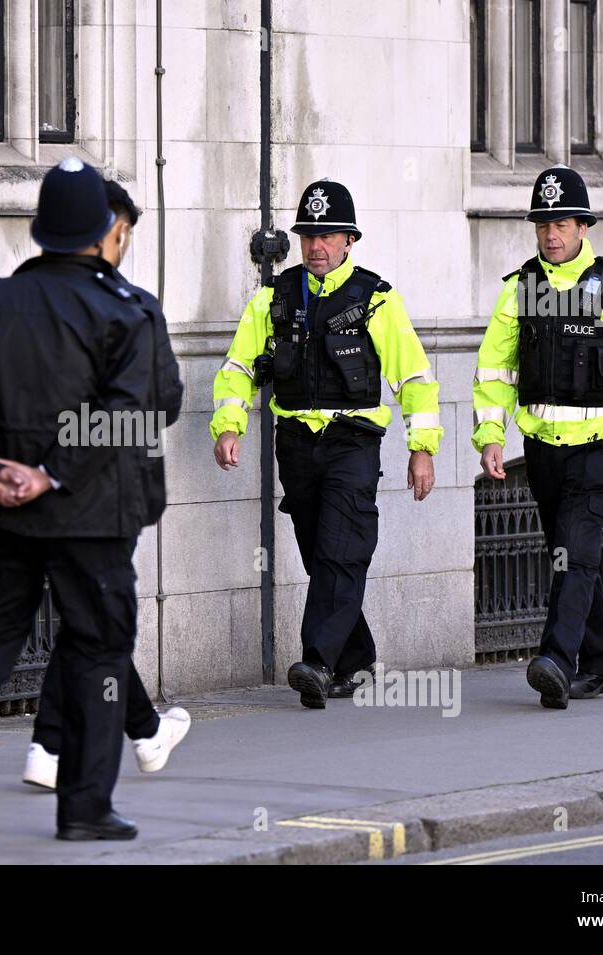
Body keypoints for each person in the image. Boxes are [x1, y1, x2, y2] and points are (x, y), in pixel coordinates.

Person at [0, 157, 181, 840]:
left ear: (42, 229)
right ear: (102, 231)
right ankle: (85, 806)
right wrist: (52, 473)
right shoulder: (128, 311)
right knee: (99, 648)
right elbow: (148, 406)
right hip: (91, 515)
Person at [211, 179, 443, 709]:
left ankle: (316, 661)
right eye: (308, 235)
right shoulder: (274, 297)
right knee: (322, 555)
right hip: (294, 442)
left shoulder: (376, 299)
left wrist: (422, 447)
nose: (316, 246)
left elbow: (415, 379)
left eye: (328, 235)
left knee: (343, 548)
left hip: (352, 440)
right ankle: (355, 665)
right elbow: (238, 367)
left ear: (349, 240)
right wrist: (229, 425)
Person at [472, 165, 603, 709]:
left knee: (577, 551)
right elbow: (495, 371)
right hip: (541, 448)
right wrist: (490, 438)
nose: (551, 233)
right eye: (542, 223)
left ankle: (556, 660)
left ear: (583, 226)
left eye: (561, 222)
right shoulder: (520, 290)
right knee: (565, 555)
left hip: (597, 446)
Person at [21, 180, 190, 792]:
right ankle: (108, 739)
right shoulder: (135, 306)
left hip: (45, 485)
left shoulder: (27, 299)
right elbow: (166, 402)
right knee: (99, 618)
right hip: (109, 492)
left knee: (85, 614)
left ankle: (83, 740)